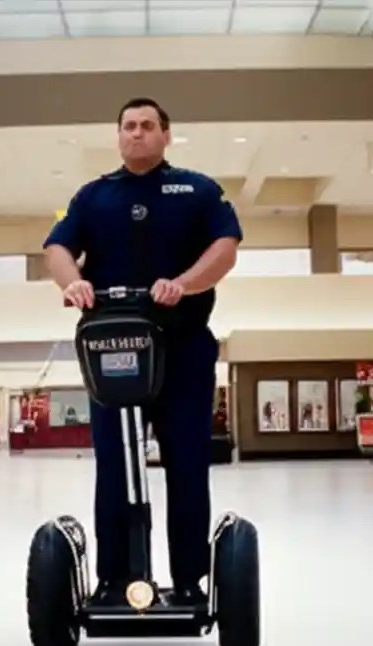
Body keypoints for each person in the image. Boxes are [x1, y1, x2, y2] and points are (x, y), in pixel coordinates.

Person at [42, 97, 242, 607]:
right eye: (128, 126)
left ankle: (191, 581)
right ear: (118, 136)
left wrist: (183, 284)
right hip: (114, 351)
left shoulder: (197, 189)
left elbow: (225, 248)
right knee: (113, 466)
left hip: (183, 347)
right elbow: (57, 247)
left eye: (148, 125)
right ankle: (115, 581)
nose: (137, 133)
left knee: (187, 464)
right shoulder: (93, 195)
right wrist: (72, 282)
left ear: (166, 135)